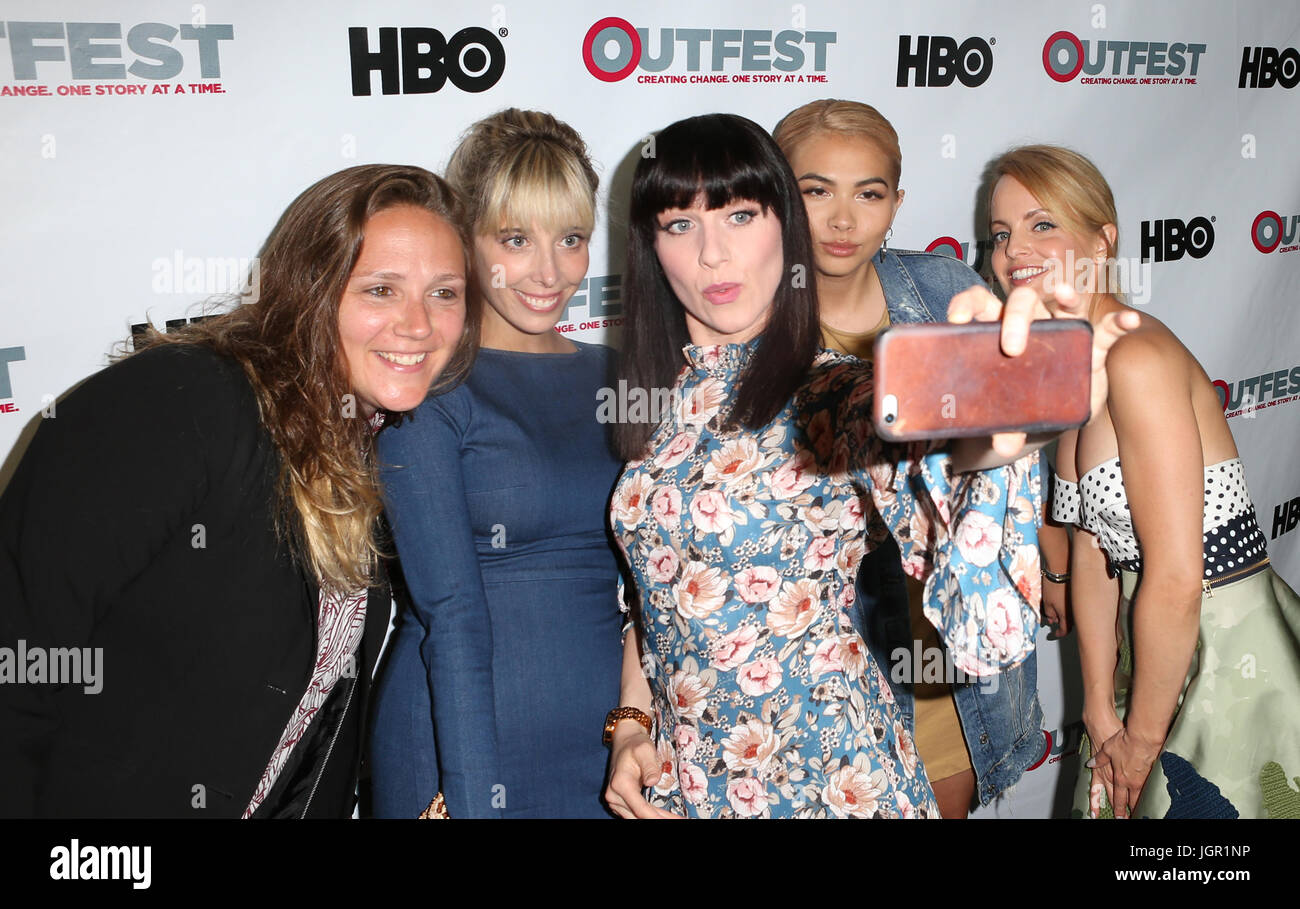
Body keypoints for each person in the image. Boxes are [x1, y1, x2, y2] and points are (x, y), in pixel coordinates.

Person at [603, 114, 1134, 819]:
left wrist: (992, 430)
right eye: (680, 224)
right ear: (650, 245)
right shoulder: (658, 398)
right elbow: (658, 593)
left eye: (739, 215)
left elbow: (923, 437)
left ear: (784, 227)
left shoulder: (828, 390)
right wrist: (631, 726)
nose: (712, 255)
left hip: (829, 781)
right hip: (690, 784)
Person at [0, 164, 475, 817]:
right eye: (382, 289)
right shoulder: (181, 402)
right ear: (312, 290)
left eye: (445, 293)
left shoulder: (365, 445)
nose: (419, 324)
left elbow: (311, 727)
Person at [986, 144, 1300, 819]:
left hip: (1224, 649)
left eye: (1042, 225)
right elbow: (1097, 555)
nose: (1015, 250)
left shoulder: (1138, 358)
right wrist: (1099, 703)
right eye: (1001, 233)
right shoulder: (1069, 368)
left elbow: (1180, 576)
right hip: (1149, 650)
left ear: (1104, 240)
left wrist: (1145, 735)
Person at [773, 99, 1045, 817]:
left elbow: (1011, 460)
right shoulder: (742, 321)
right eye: (815, 189)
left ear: (897, 202)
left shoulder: (947, 290)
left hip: (946, 653)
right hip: (823, 659)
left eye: (868, 193)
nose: (841, 219)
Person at [368, 109, 624, 818]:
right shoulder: (431, 381)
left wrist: (637, 727)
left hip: (613, 746)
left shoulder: (623, 377)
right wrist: (474, 796)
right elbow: (451, 615)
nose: (548, 271)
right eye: (515, 239)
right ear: (467, 241)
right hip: (461, 748)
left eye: (570, 239)